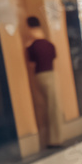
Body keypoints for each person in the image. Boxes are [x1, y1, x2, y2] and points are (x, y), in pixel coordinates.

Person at [24, 16, 59, 148]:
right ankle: (54, 139)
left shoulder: (32, 46)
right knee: (52, 106)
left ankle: (51, 139)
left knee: (47, 107)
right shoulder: (48, 44)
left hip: (40, 75)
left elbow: (32, 63)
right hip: (49, 74)